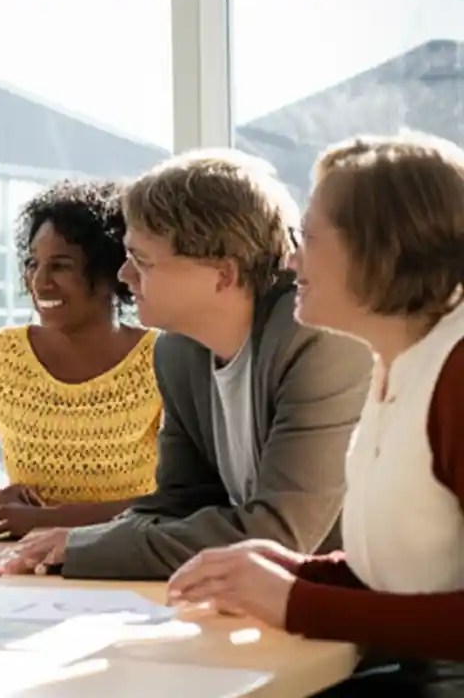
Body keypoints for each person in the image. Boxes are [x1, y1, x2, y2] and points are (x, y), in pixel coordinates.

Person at [0, 149, 372, 579]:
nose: (125, 275)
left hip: (371, 615)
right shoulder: (177, 352)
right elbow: (177, 503)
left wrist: (86, 547)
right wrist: (68, 538)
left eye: (142, 260)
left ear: (223, 273)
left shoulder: (319, 338)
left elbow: (277, 533)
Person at [168, 133, 464, 694]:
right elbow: (423, 575)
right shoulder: (400, 363)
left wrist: (295, 602)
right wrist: (301, 570)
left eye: (308, 237)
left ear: (384, 248)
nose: (291, 258)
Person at [0, 181, 161, 541]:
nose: (39, 282)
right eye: (32, 264)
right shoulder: (4, 357)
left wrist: (48, 520)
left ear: (110, 272)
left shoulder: (160, 360)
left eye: (60, 266)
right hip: (25, 560)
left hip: (123, 554)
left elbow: (171, 503)